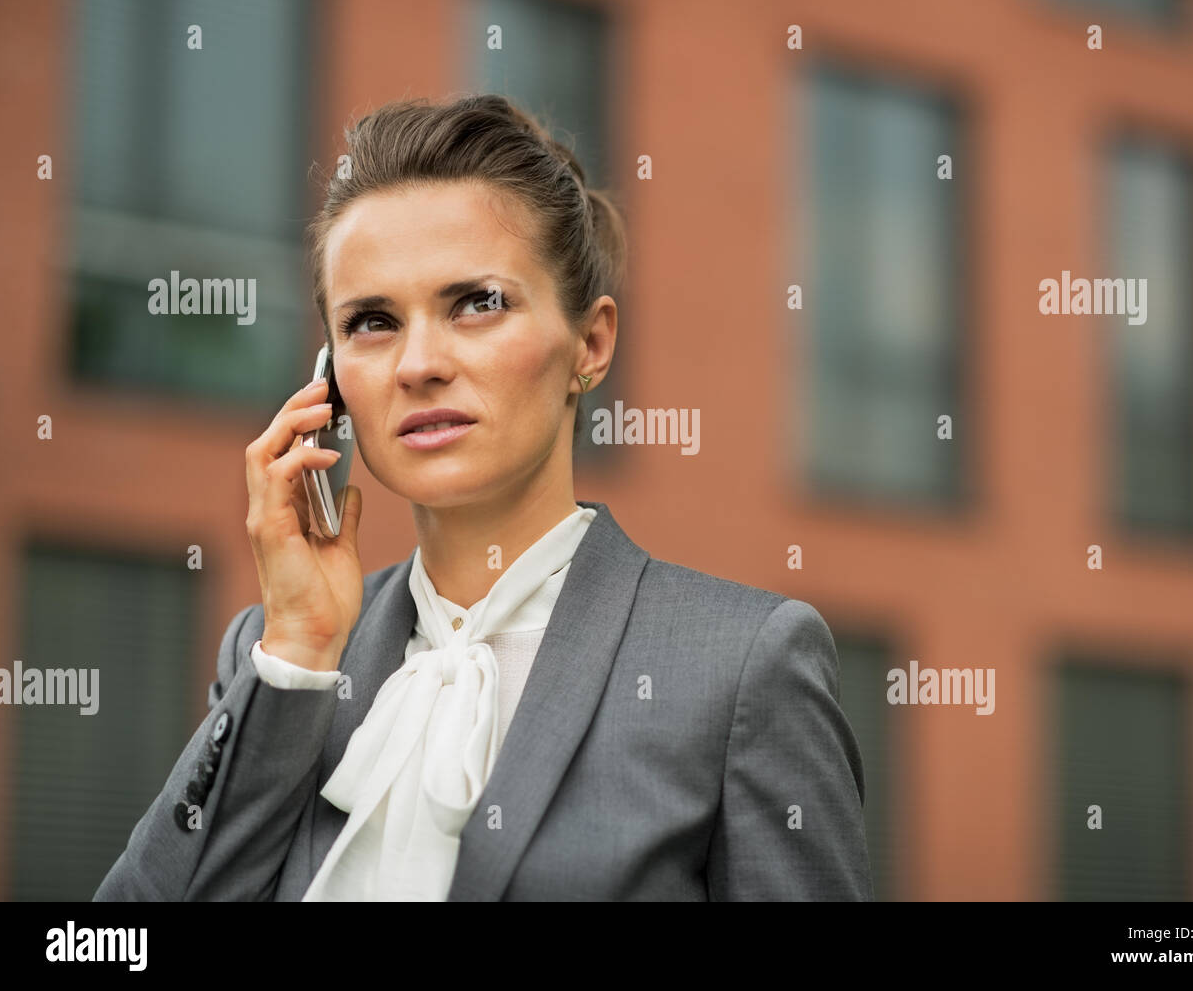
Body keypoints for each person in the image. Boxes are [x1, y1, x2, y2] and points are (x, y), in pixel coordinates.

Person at [93, 93, 874, 901]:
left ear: (592, 343)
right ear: (329, 381)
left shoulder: (743, 666)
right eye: (372, 321)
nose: (419, 363)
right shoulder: (277, 655)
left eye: (477, 303)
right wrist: (298, 651)